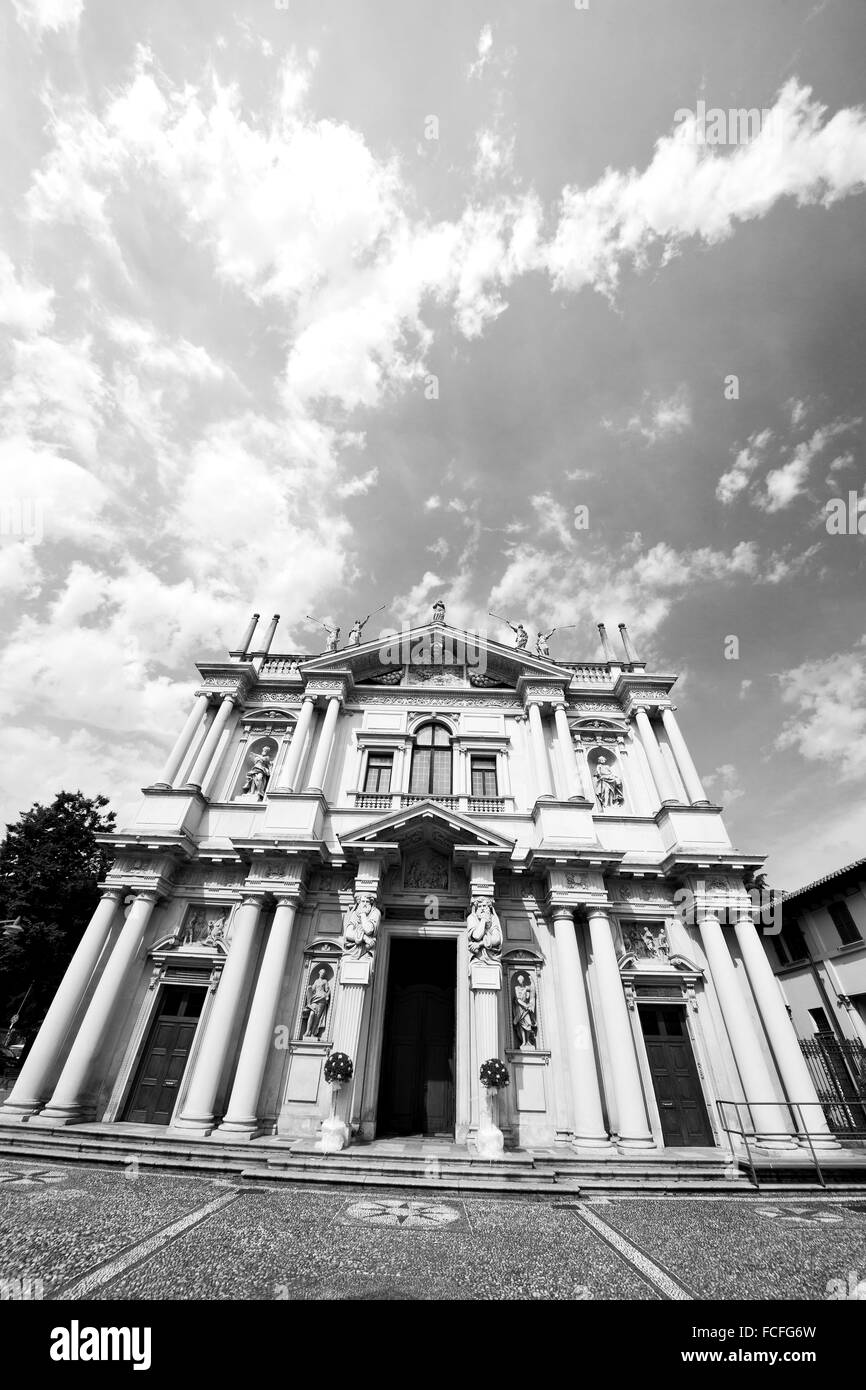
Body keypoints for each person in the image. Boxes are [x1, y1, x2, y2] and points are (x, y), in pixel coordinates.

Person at [303, 968, 331, 1037]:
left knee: (317, 1017)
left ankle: (313, 1032)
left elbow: (327, 990)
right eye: (321, 972)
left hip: (322, 999)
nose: (322, 974)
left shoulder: (325, 981)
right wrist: (309, 987)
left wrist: (326, 996)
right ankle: (307, 1031)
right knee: (312, 1014)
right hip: (315, 999)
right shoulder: (316, 981)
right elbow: (312, 989)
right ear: (319, 972)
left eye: (324, 973)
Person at [512, 973, 537, 1049]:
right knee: (521, 1026)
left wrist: (531, 980)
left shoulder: (526, 987)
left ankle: (528, 1041)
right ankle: (523, 1042)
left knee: (528, 1024)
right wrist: (525, 1005)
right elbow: (518, 999)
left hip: (526, 1009)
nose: (521, 981)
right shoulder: (517, 988)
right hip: (520, 1009)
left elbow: (532, 989)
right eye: (519, 980)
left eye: (522, 979)